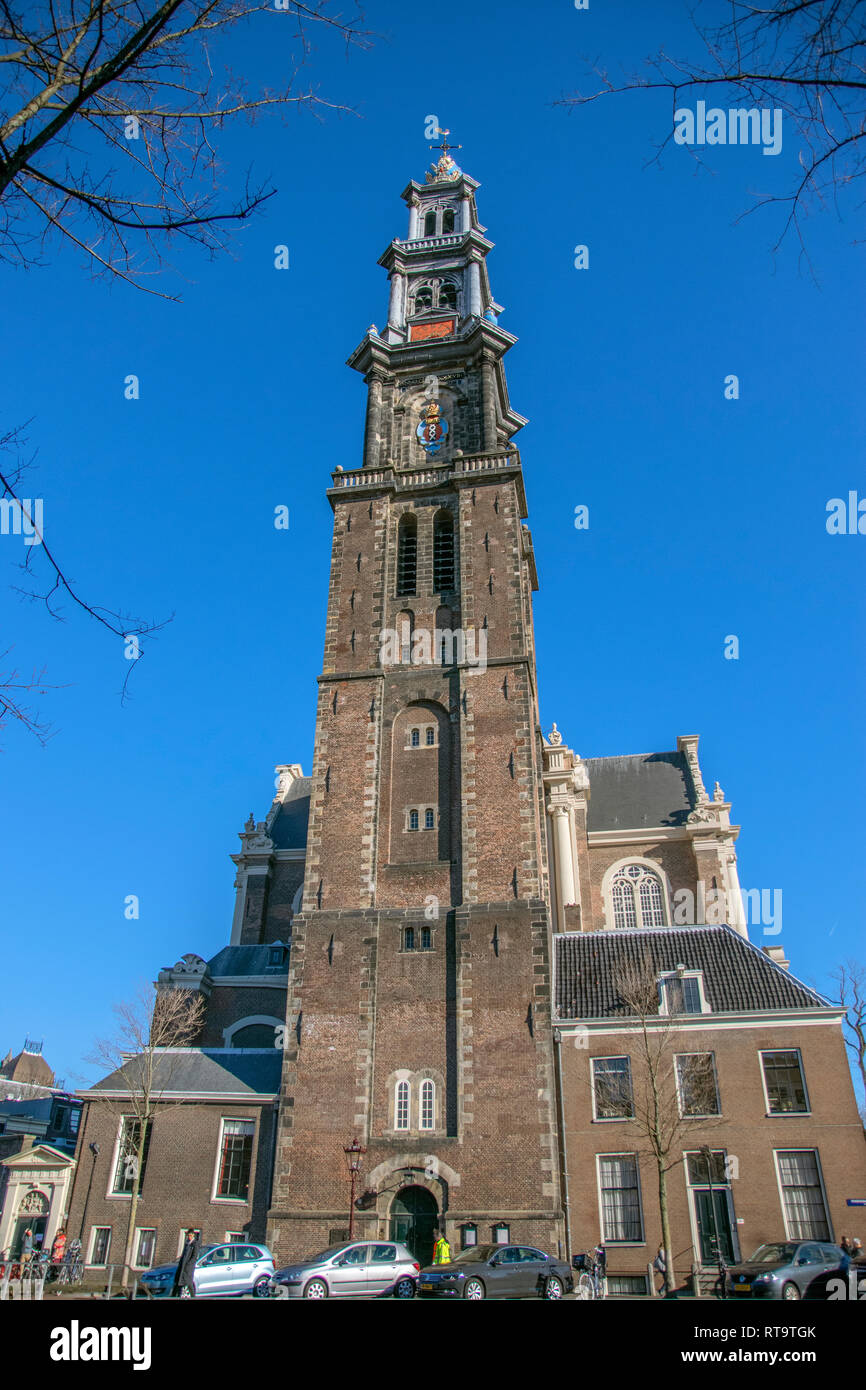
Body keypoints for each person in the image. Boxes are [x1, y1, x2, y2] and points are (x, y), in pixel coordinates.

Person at [172, 1229, 201, 1298]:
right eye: (188, 1235)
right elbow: (183, 1255)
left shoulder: (195, 1244)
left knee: (188, 1282)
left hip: (188, 1268)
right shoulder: (187, 1243)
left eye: (190, 1235)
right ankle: (175, 1296)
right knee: (179, 1282)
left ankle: (193, 1296)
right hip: (182, 1266)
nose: (189, 1237)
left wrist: (189, 1265)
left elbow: (194, 1257)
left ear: (193, 1235)